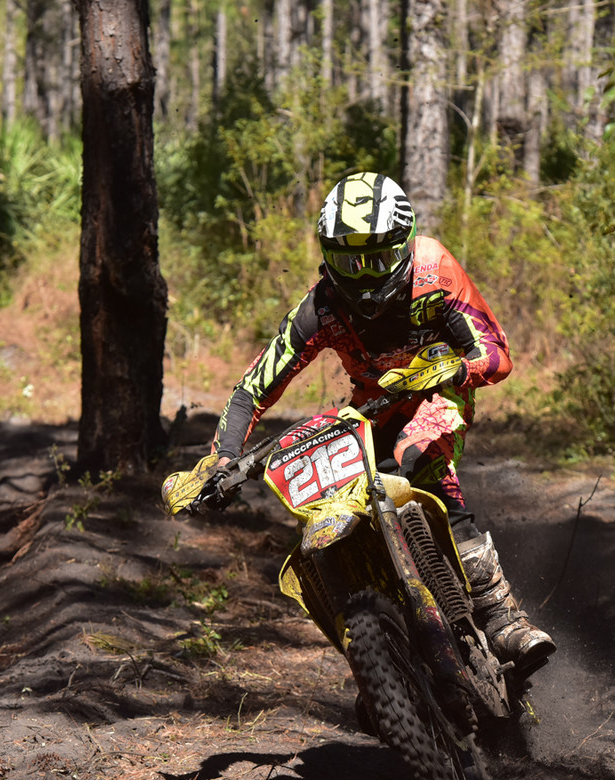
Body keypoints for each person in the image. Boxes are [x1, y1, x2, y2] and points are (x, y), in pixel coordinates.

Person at [166, 171, 554, 674]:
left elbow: (495, 353)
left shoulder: (434, 269)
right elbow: (252, 389)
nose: (365, 275)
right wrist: (220, 460)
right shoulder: (321, 306)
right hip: (373, 407)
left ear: (404, 244)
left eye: (377, 258)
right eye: (350, 261)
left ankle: (502, 615)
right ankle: (385, 658)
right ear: (328, 257)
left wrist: (455, 367)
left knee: (417, 462)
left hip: (438, 390)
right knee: (340, 490)